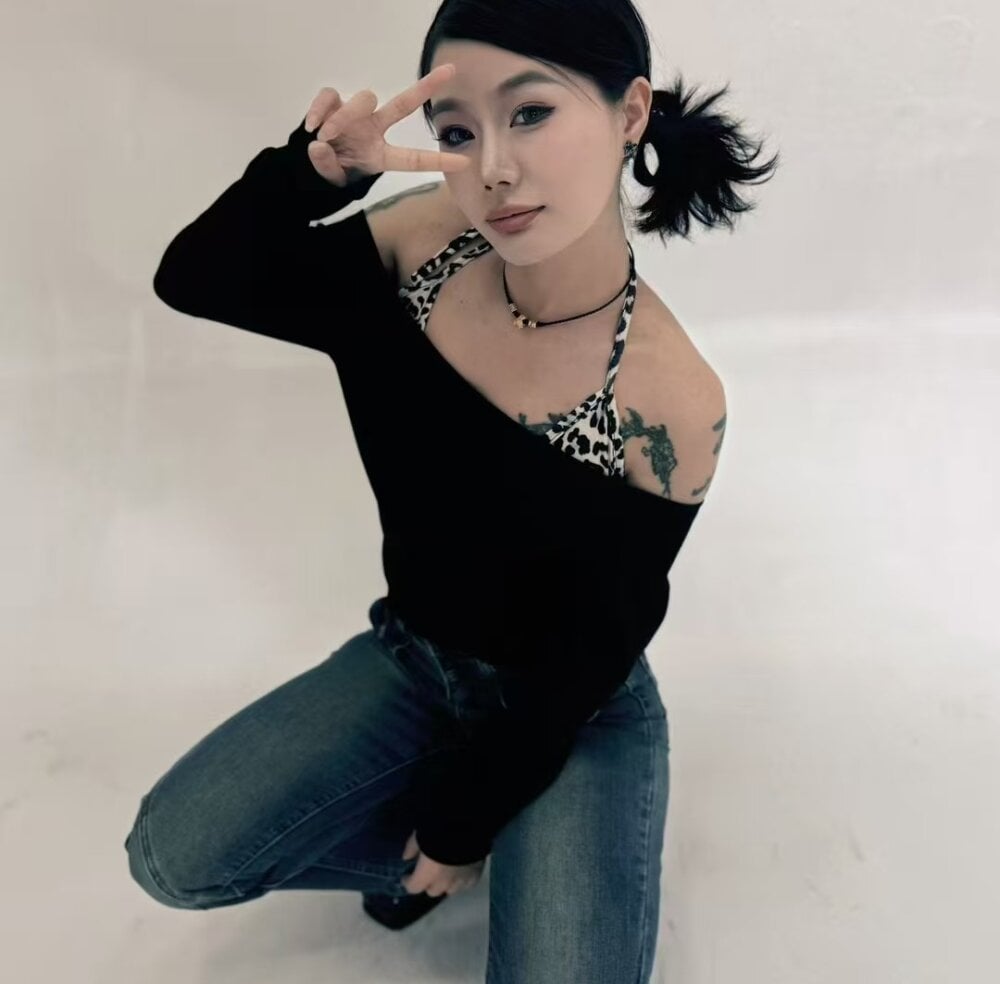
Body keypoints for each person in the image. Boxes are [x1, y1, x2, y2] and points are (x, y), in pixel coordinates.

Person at [126, 1, 778, 980]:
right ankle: (488, 859)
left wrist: (462, 824)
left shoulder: (669, 398)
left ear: (630, 112)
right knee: (173, 858)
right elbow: (197, 277)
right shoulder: (423, 247)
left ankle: (509, 848)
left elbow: (585, 655)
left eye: (531, 113)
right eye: (457, 133)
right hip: (415, 659)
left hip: (573, 713)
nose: (493, 170)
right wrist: (315, 170)